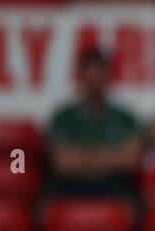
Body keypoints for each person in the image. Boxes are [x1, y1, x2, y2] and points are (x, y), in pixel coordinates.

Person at [46, 46, 142, 197]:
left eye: (101, 71)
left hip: (115, 185)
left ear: (109, 75)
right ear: (81, 75)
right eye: (91, 70)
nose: (96, 76)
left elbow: (129, 162)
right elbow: (62, 163)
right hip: (70, 186)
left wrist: (83, 156)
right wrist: (111, 155)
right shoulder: (63, 117)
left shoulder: (126, 118)